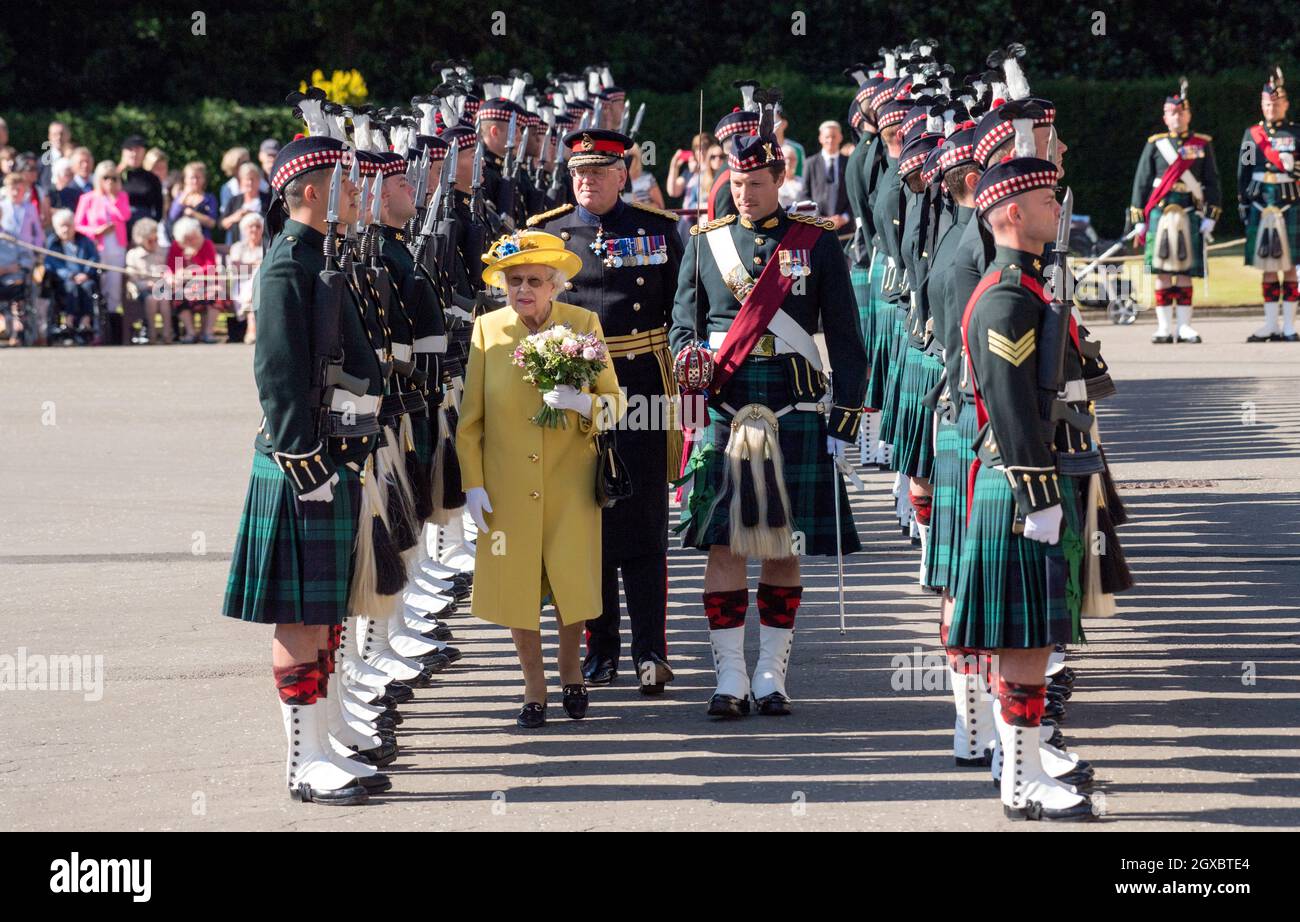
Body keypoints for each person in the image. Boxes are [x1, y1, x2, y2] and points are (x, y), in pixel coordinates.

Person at [670, 103, 867, 718]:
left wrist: (847, 415)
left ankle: (771, 674)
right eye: (735, 184)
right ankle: (728, 676)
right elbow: (681, 326)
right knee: (723, 546)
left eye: (755, 184)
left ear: (778, 178)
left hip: (797, 404)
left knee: (785, 546)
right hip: (727, 406)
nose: (745, 195)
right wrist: (691, 363)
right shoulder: (704, 244)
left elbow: (845, 335)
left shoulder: (815, 244)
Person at [950, 154, 1119, 822]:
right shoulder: (1004, 298)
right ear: (1014, 213)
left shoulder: (1031, 290)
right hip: (1024, 486)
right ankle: (1020, 783)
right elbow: (1012, 404)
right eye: (1049, 199)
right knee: (1024, 648)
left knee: (1031, 647)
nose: (1060, 208)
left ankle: (1021, 777)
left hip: (1038, 480)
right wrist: (1040, 498)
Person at [222, 134, 390, 806]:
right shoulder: (287, 266)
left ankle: (323, 744)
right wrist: (305, 462)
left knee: (324, 616)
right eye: (345, 184)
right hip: (304, 463)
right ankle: (303, 764)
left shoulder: (319, 256)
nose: (356, 195)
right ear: (313, 192)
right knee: (299, 619)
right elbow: (276, 376)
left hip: (333, 456)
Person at [528, 128, 685, 692]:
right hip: (577, 384)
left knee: (644, 521)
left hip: (642, 385)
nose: (585, 181)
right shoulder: (548, 234)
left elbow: (681, 313)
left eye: (597, 172)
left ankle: (650, 650)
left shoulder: (659, 230)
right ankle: (602, 649)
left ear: (624, 174)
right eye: (578, 173)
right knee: (587, 522)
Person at [456, 230, 624, 728]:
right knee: (517, 586)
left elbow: (616, 405)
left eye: (533, 281)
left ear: (556, 286)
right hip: (506, 487)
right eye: (513, 282)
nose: (522, 290)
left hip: (571, 482)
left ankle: (571, 671)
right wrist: (472, 484)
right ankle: (534, 686)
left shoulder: (583, 323)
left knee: (570, 581)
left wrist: (581, 402)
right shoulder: (487, 330)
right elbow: (470, 422)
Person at [1127, 80, 1221, 344]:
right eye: (1172, 113)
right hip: (1160, 214)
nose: (1177, 116)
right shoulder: (1155, 144)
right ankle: (1164, 327)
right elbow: (1141, 182)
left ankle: (1185, 326)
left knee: (1185, 272)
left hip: (1190, 212)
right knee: (1162, 272)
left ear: (1188, 115)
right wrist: (1139, 220)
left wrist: (1211, 217)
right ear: (1165, 117)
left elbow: (1212, 182)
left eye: (1182, 112)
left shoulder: (1202, 144)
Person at [1238, 67, 1300, 342]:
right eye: (1267, 104)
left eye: (1276, 103)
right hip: (1262, 204)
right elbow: (1245, 169)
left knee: (1289, 266)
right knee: (1268, 266)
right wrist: (1243, 201)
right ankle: (1270, 324)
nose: (1271, 107)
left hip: (1290, 203)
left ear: (1285, 104)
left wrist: (1294, 166)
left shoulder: (1297, 133)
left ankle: (1288, 325)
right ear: (1262, 106)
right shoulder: (1252, 135)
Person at [73, 161, 130, 317]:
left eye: (113, 178)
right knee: (100, 284)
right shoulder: (88, 198)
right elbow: (77, 225)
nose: (109, 181)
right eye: (105, 177)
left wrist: (113, 198)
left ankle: (112, 319)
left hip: (117, 247)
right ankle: (97, 318)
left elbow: (124, 216)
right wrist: (96, 231)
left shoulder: (122, 197)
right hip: (96, 248)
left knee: (114, 286)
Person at [44, 209, 99, 343]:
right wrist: (71, 275)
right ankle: (69, 320)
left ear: (74, 226)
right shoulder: (53, 245)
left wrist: (86, 273)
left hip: (84, 278)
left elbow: (93, 258)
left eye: (68, 225)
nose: (65, 229)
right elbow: (51, 264)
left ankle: (86, 321)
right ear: (56, 228)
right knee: (71, 287)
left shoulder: (85, 241)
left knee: (88, 286)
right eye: (61, 226)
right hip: (64, 281)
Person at [165, 216, 220, 343]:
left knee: (217, 294)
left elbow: (211, 267)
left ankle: (208, 332)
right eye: (186, 239)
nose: (190, 241)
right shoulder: (176, 246)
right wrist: (170, 276)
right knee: (177, 295)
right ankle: (190, 332)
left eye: (192, 237)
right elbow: (170, 267)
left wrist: (191, 272)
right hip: (184, 286)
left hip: (206, 284)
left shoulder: (206, 244)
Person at [125, 217, 171, 344]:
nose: (154, 243)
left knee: (164, 299)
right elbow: (132, 277)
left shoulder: (163, 251)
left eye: (156, 239)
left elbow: (168, 270)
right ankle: (152, 333)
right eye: (150, 240)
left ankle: (167, 333)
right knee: (151, 299)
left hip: (162, 288)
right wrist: (146, 284)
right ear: (141, 240)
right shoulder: (133, 255)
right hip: (143, 290)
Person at [804, 120, 852, 230]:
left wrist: (844, 218)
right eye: (827, 137)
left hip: (844, 228)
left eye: (834, 136)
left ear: (840, 137)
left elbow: (855, 194)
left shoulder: (849, 163)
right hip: (817, 227)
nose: (830, 140)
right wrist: (819, 219)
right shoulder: (810, 163)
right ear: (820, 138)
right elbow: (804, 195)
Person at [226, 213, 263, 344]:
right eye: (250, 226)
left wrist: (254, 267)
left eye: (258, 226)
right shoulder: (238, 247)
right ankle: (252, 329)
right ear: (244, 229)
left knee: (258, 276)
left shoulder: (267, 246)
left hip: (262, 286)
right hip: (241, 284)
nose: (254, 229)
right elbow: (236, 268)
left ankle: (251, 329)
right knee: (258, 273)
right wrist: (256, 264)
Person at [118, 135, 164, 235]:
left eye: (138, 150)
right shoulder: (115, 177)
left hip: (143, 228)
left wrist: (151, 226)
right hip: (120, 226)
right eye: (130, 149)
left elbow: (159, 208)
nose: (134, 154)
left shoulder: (152, 178)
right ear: (123, 152)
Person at [167, 161, 218, 240]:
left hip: (202, 241)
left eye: (198, 177)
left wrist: (193, 214)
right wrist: (185, 196)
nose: (195, 181)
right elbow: (172, 216)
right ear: (185, 179)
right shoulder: (180, 197)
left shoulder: (209, 198)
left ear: (204, 179)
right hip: (181, 241)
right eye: (192, 177)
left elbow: (212, 223)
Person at [220, 162, 272, 237]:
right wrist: (235, 217)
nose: (250, 182)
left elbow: (274, 221)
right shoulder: (234, 200)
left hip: (263, 244)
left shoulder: (268, 199)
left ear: (259, 180)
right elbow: (221, 224)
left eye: (253, 179)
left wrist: (252, 214)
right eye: (247, 179)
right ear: (241, 181)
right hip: (239, 245)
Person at [621, 144, 665, 208]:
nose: (628, 161)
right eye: (624, 158)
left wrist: (638, 205)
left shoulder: (647, 178)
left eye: (631, 157)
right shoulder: (616, 181)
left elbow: (660, 207)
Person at [219, 147, 251, 211]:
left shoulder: (258, 181)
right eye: (244, 162)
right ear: (233, 165)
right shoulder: (227, 188)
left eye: (248, 162)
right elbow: (225, 212)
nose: (248, 165)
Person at [777, 143, 806, 208]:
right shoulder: (774, 181)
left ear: (796, 162)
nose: (788, 162)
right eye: (786, 158)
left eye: (792, 159)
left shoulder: (802, 181)